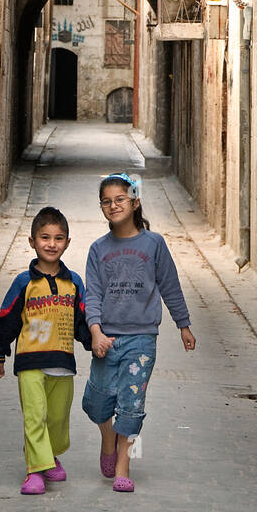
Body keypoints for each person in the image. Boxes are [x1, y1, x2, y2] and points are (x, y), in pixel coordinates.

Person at [82, 173, 196, 493]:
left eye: (120, 199)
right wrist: (95, 332)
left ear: (135, 202)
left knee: (131, 403)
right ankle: (108, 439)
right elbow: (92, 295)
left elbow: (170, 286)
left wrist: (183, 325)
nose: (113, 205)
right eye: (106, 201)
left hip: (143, 338)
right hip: (107, 338)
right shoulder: (98, 249)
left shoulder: (154, 244)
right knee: (96, 402)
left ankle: (123, 464)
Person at [0, 207, 92, 494]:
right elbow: (6, 318)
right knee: (35, 416)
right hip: (29, 361)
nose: (51, 244)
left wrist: (93, 343)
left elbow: (82, 320)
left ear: (68, 243)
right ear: (32, 241)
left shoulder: (74, 283)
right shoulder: (24, 282)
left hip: (62, 361)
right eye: (44, 237)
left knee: (57, 418)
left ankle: (50, 456)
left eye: (59, 238)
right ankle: (34, 472)